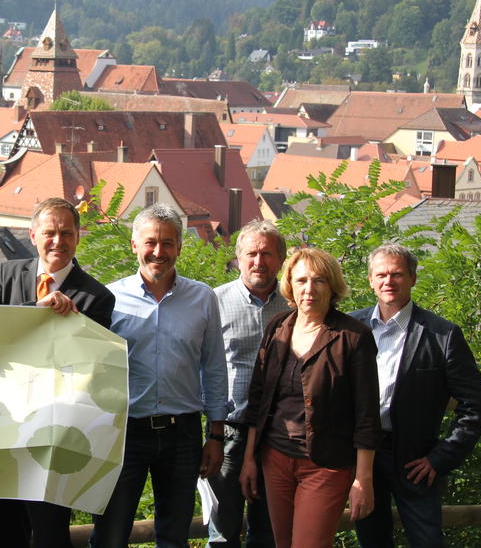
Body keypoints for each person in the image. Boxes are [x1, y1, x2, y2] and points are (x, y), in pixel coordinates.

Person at [0, 197, 115, 548]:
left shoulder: (96, 298)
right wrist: (35, 311)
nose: (58, 241)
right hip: (0, 428)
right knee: (5, 534)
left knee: (50, 535)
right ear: (33, 235)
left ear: (79, 237)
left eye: (66, 233)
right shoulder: (7, 274)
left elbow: (86, 372)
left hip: (55, 438)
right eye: (49, 232)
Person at [91, 203, 228, 548]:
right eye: (150, 242)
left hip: (182, 434)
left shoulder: (202, 298)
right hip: (123, 434)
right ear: (134, 245)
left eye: (168, 243)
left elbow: (213, 366)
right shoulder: (109, 299)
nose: (158, 251)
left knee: (174, 538)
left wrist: (215, 434)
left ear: (180, 247)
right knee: (109, 535)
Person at [351, 243, 481, 548]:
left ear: (413, 278)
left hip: (416, 462)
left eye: (397, 274)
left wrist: (441, 458)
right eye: (382, 274)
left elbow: (476, 404)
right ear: (370, 280)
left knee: (427, 541)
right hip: (362, 457)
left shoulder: (442, 335)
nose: (389, 281)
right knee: (371, 541)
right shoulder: (349, 327)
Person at [239, 247, 380, 548]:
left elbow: (367, 414)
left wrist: (363, 478)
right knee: (283, 543)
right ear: (289, 284)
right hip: (274, 458)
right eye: (301, 280)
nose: (309, 289)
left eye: (319, 281)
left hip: (325, 464)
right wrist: (250, 459)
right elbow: (259, 398)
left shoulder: (353, 337)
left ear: (332, 286)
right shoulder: (278, 327)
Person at [201, 221, 288, 547]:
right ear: (238, 258)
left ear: (280, 260)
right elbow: (201, 365)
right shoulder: (214, 302)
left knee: (269, 530)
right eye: (251, 253)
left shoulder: (294, 304)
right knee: (223, 530)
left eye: (267, 254)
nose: (258, 261)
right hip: (228, 432)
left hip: (281, 433)